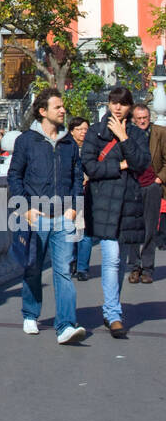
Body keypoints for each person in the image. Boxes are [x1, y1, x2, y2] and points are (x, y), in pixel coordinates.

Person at [7, 88, 85, 343]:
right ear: (43, 111)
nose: (63, 110)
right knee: (33, 268)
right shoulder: (26, 141)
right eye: (57, 107)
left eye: (63, 106)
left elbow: (76, 177)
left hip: (64, 217)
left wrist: (75, 207)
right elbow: (14, 176)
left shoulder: (68, 143)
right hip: (36, 217)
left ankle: (65, 326)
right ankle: (30, 314)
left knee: (63, 271)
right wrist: (25, 208)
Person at [81, 86, 149, 338]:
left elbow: (142, 164)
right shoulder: (96, 132)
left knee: (119, 259)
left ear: (130, 107)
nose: (117, 107)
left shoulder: (136, 134)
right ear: (108, 104)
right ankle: (113, 313)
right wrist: (120, 164)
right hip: (103, 202)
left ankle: (112, 308)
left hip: (128, 203)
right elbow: (89, 166)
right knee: (110, 256)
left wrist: (124, 138)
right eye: (113, 102)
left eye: (122, 103)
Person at [128, 102, 165, 285]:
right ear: (134, 119)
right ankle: (135, 266)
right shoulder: (128, 134)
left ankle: (148, 268)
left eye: (145, 118)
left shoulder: (160, 133)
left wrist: (159, 179)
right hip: (133, 186)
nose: (142, 121)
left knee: (151, 228)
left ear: (149, 118)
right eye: (139, 119)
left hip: (152, 185)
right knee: (133, 228)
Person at [65, 117, 92, 279]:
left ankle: (82, 268)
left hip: (88, 192)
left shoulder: (91, 148)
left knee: (85, 231)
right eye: (80, 129)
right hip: (70, 193)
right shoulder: (66, 148)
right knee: (70, 229)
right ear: (72, 131)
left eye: (85, 129)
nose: (83, 132)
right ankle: (72, 261)